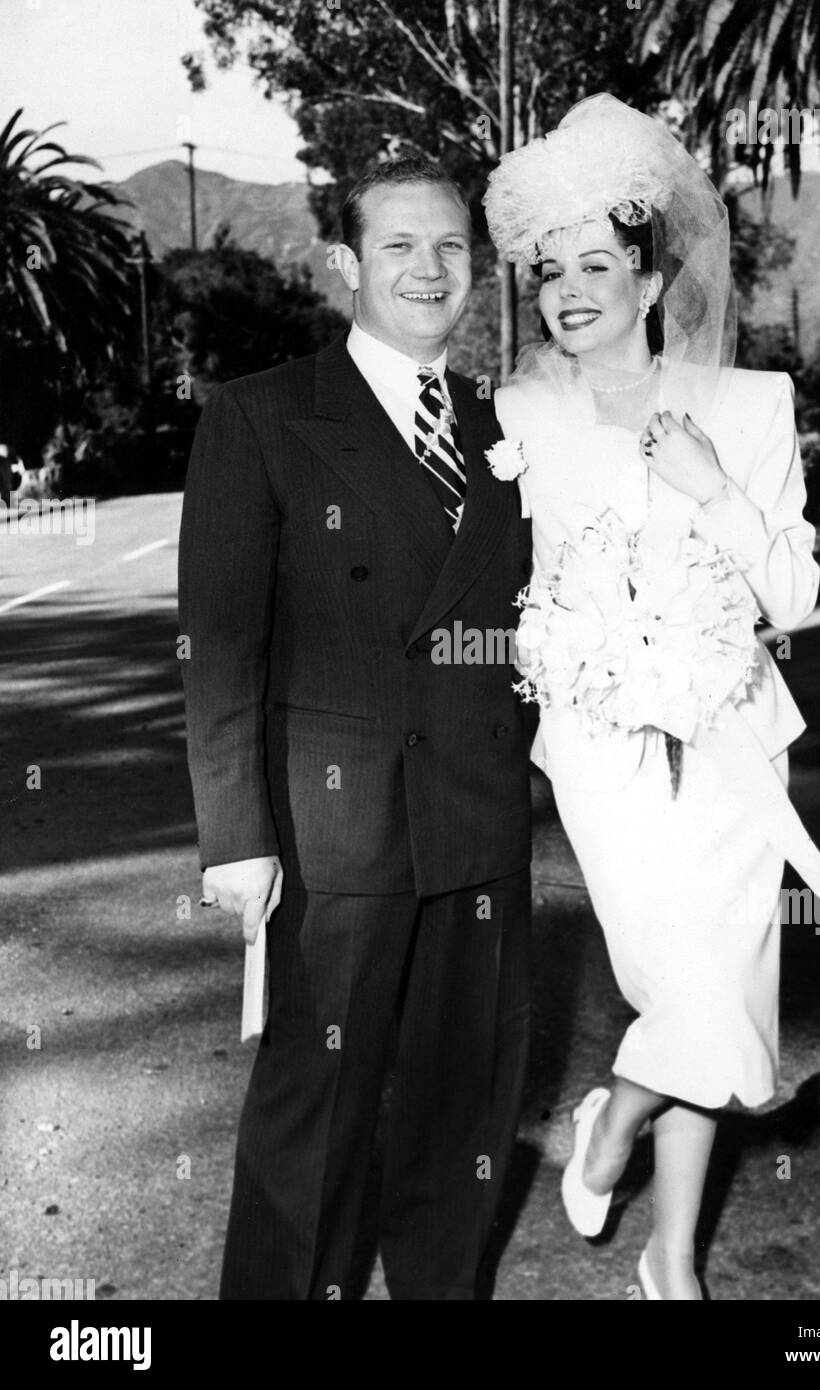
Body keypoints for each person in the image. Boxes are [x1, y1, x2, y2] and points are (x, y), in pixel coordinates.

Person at [483, 94, 820, 1300]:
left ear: (650, 284)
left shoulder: (748, 405)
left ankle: (667, 1250)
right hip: (599, 750)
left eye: (599, 265)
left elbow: (797, 591)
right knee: (698, 1000)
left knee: (715, 993)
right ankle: (614, 1135)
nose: (570, 291)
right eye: (552, 272)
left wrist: (714, 492)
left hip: (730, 746)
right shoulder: (518, 413)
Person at [178, 155, 534, 1301]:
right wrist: (236, 834)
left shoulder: (500, 422)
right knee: (315, 1117)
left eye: (449, 248)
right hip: (335, 835)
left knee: (460, 1106)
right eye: (399, 246)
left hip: (477, 825)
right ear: (343, 265)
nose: (429, 270)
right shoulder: (265, 414)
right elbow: (222, 643)